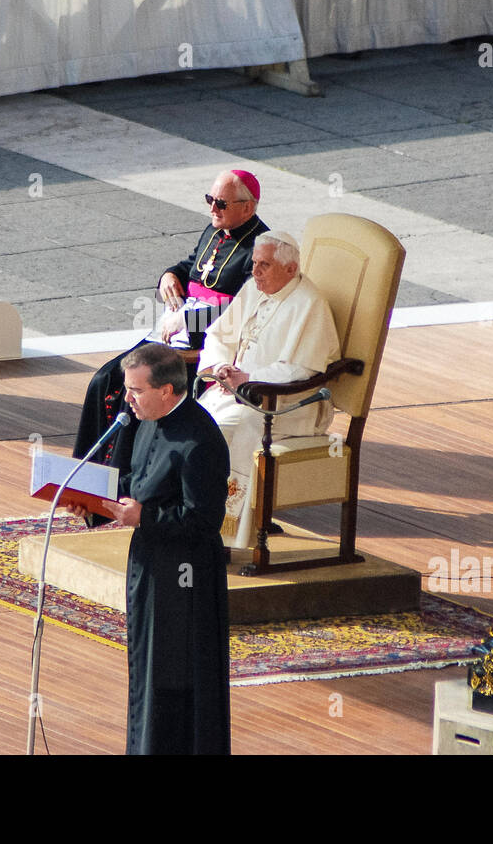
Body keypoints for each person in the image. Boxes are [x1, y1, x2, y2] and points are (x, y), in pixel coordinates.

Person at [72, 170, 268, 480]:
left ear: (248, 207)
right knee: (103, 380)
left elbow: (241, 310)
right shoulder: (216, 229)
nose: (212, 209)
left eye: (220, 203)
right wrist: (169, 275)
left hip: (199, 346)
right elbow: (192, 266)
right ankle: (86, 475)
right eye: (209, 200)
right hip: (170, 332)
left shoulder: (259, 249)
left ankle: (119, 480)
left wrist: (187, 318)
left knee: (135, 392)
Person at [99, 342, 231, 755]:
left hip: (185, 578)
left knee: (175, 676)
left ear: (167, 391)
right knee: (147, 671)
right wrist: (93, 500)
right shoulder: (146, 421)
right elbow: (137, 484)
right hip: (150, 564)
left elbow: (203, 520)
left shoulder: (199, 441)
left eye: (136, 390)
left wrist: (145, 518)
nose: (128, 399)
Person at [197, 231, 340, 548]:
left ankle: (227, 535)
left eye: (264, 265)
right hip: (239, 393)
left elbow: (303, 370)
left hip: (286, 405)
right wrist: (222, 366)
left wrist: (248, 378)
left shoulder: (309, 305)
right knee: (189, 422)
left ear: (290, 269)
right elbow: (219, 336)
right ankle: (189, 520)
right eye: (254, 264)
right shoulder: (253, 290)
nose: (255, 272)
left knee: (221, 429)